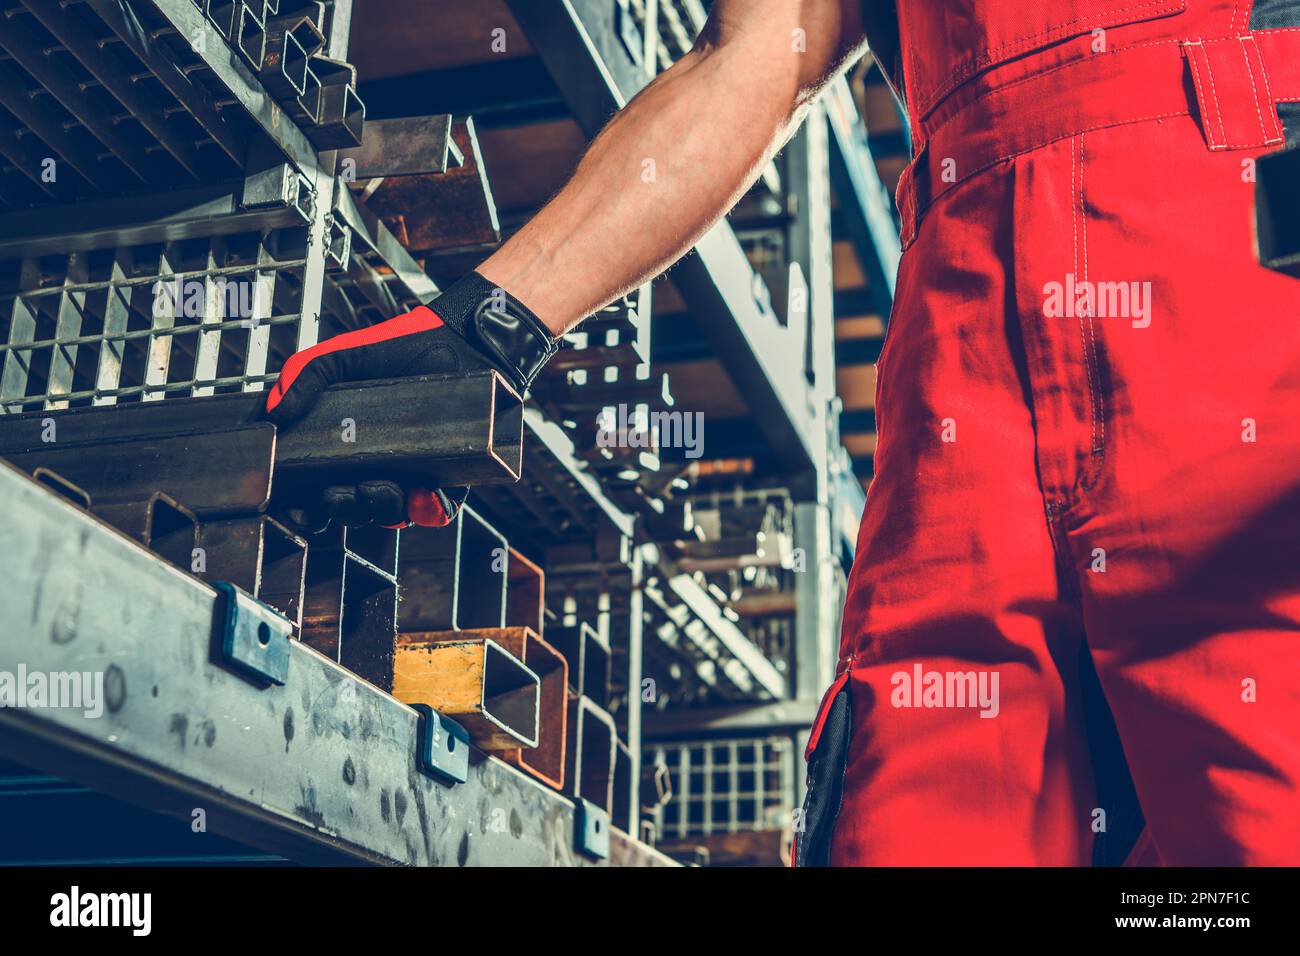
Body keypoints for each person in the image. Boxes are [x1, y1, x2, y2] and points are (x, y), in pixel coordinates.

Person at [266, 0, 1300, 866]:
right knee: (921, 812)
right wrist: (489, 324)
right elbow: (768, 47)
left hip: (1245, 233)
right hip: (964, 333)